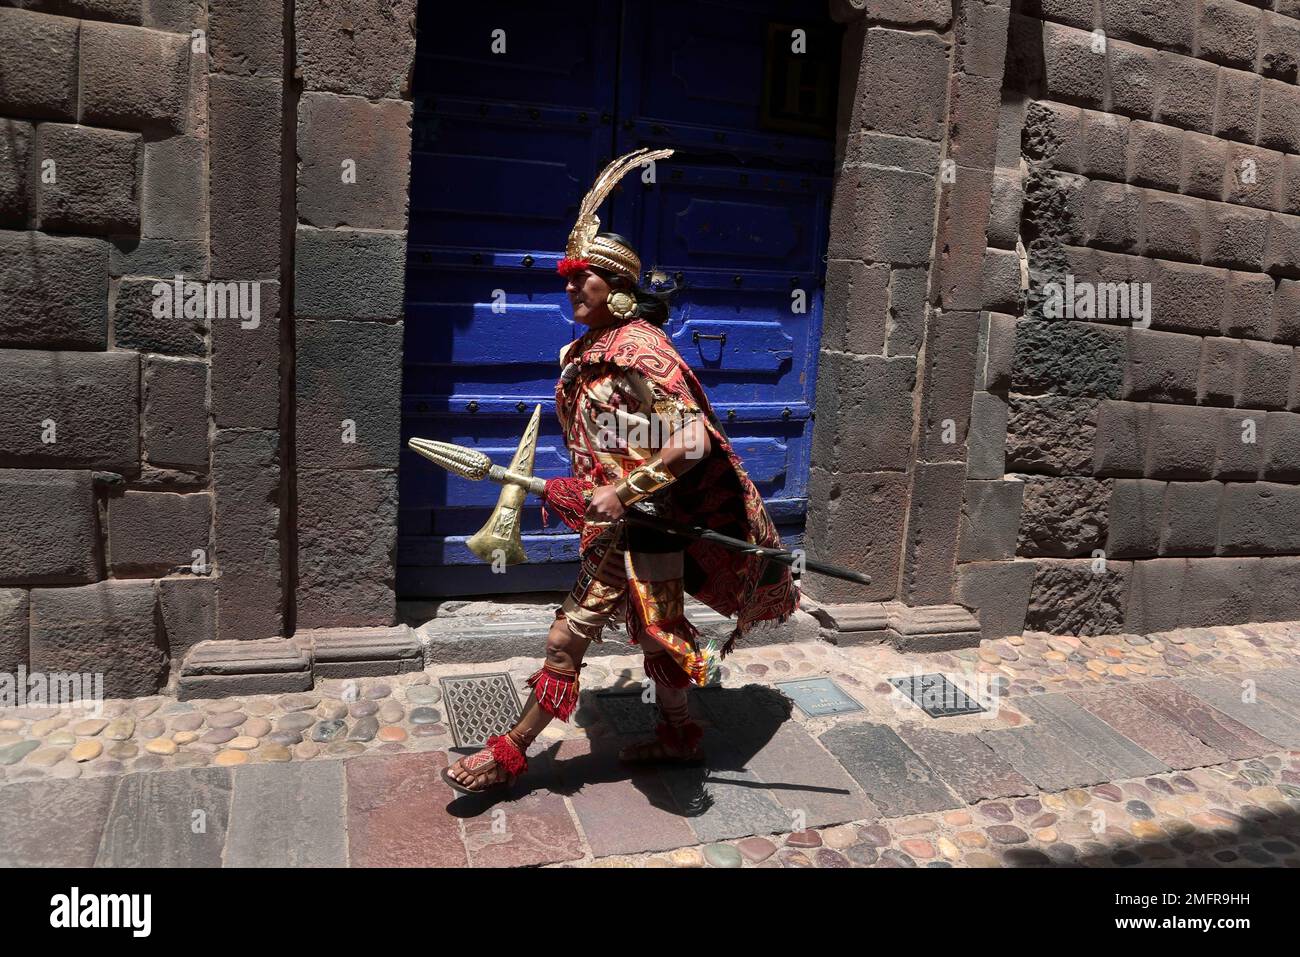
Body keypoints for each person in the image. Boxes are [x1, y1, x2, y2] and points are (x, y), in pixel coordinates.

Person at [443, 149, 797, 795]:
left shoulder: (639, 350)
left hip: (651, 527)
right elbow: (621, 438)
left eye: (586, 279)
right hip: (622, 534)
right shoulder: (588, 349)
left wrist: (619, 488)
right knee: (658, 639)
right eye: (569, 278)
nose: (572, 288)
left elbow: (691, 441)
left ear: (620, 287)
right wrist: (591, 487)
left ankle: (509, 753)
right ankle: (679, 734)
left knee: (568, 641)